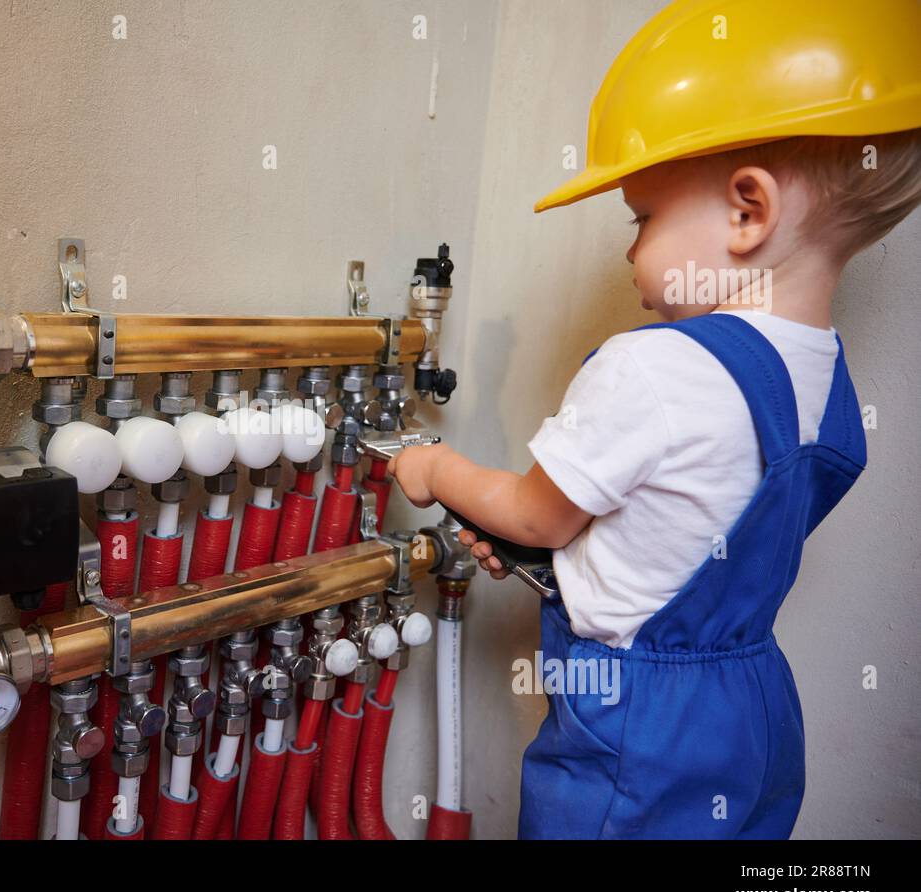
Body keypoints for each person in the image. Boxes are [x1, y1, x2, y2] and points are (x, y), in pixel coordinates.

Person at [391, 0, 921, 838]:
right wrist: (574, 565)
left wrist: (434, 469)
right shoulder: (823, 379)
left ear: (749, 211)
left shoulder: (655, 365)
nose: (630, 249)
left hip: (638, 730)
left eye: (641, 218)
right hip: (754, 715)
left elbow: (535, 510)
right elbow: (685, 530)